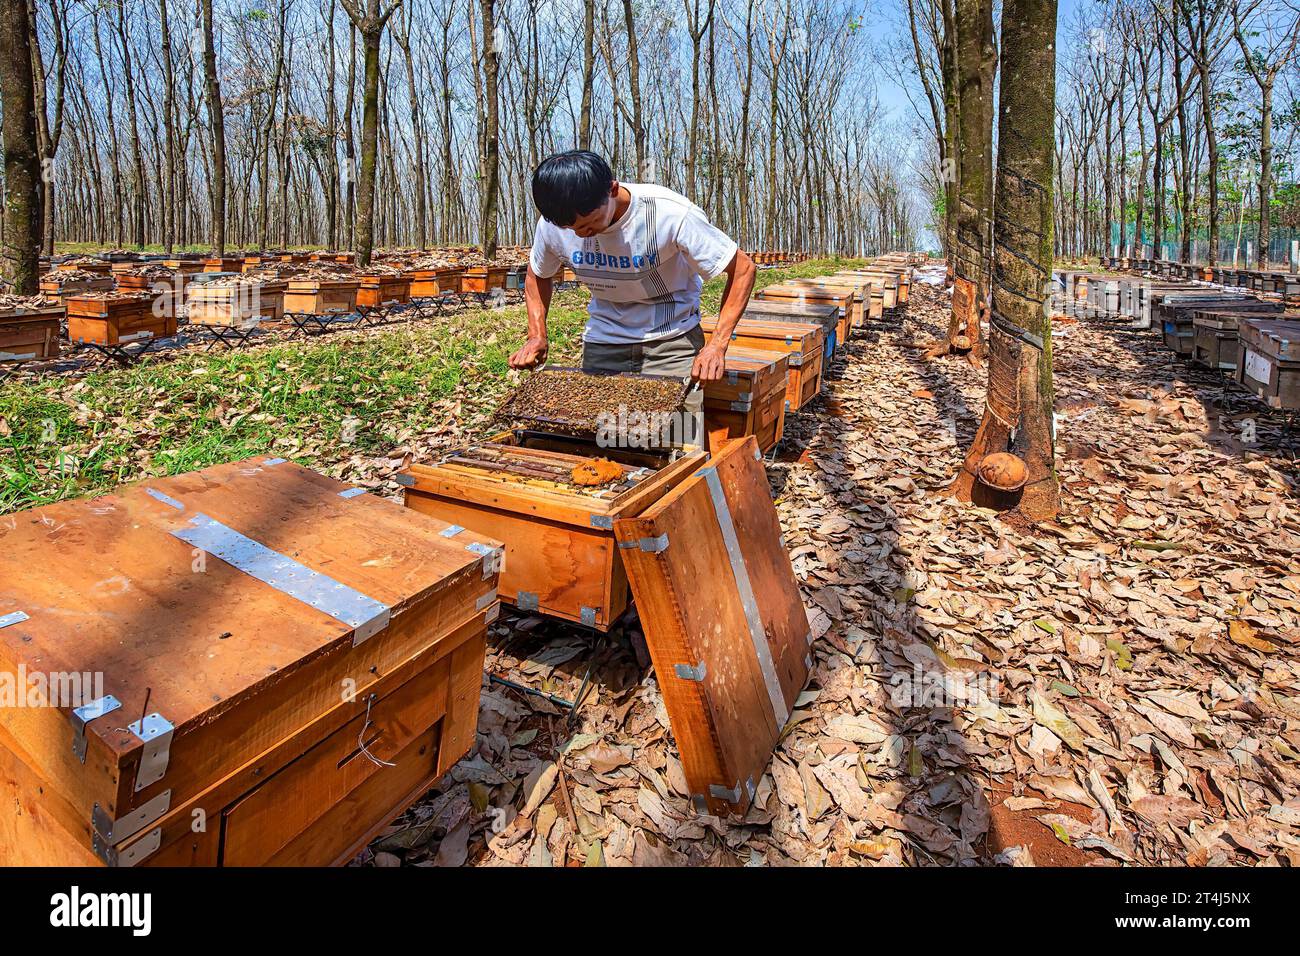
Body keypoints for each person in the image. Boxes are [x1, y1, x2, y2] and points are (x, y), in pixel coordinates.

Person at [508, 150, 756, 446]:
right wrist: (537, 334)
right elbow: (538, 274)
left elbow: (742, 268)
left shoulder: (669, 214)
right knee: (603, 440)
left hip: (671, 340)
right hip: (604, 339)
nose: (582, 234)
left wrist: (716, 345)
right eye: (571, 229)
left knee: (679, 443)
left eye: (589, 224)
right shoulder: (552, 225)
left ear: (612, 190)